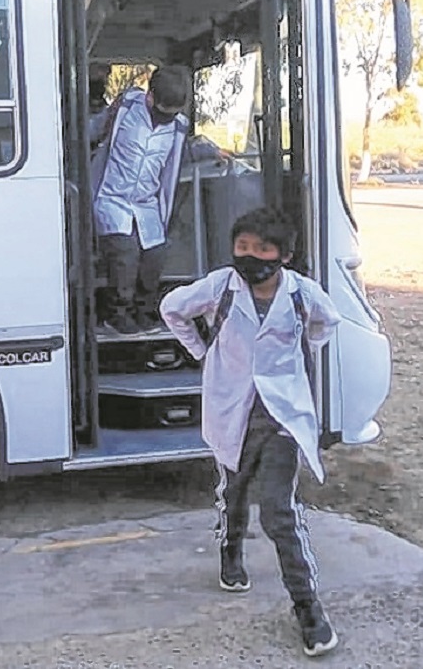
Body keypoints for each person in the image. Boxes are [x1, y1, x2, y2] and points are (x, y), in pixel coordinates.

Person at [158, 206, 343, 658]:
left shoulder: (301, 293)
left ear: (284, 254)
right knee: (234, 494)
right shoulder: (221, 286)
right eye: (242, 247)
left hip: (283, 417)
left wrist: (297, 354)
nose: (250, 256)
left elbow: (327, 322)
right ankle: (230, 552)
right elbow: (172, 309)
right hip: (232, 412)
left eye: (262, 249)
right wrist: (202, 350)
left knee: (280, 513)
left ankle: (308, 608)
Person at [89, 64, 221, 334]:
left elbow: (180, 157)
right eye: (162, 113)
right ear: (150, 97)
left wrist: (210, 152)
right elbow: (90, 132)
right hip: (111, 197)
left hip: (146, 203)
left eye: (172, 115)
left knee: (154, 256)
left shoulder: (178, 128)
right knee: (125, 252)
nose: (166, 119)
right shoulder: (124, 109)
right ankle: (117, 313)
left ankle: (145, 310)